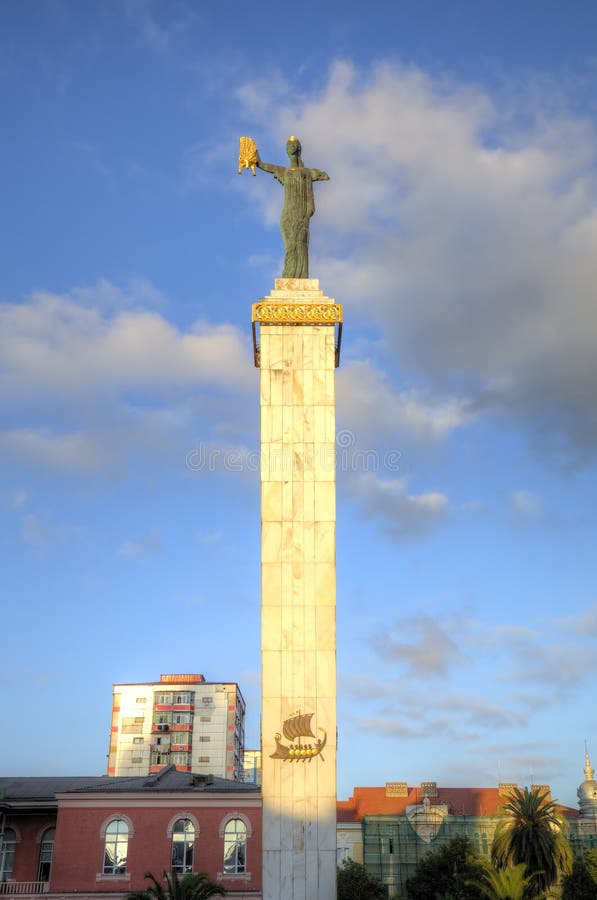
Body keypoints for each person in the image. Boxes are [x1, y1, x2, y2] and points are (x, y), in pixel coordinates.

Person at [256, 136, 329, 278]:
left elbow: (310, 195)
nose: (291, 146)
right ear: (287, 150)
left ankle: (302, 275)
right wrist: (253, 152)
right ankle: (289, 274)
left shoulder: (307, 173)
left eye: (294, 144)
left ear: (299, 148)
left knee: (300, 242)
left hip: (302, 212)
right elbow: (262, 165)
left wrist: (308, 212)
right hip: (288, 212)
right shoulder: (284, 172)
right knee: (289, 244)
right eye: (289, 145)